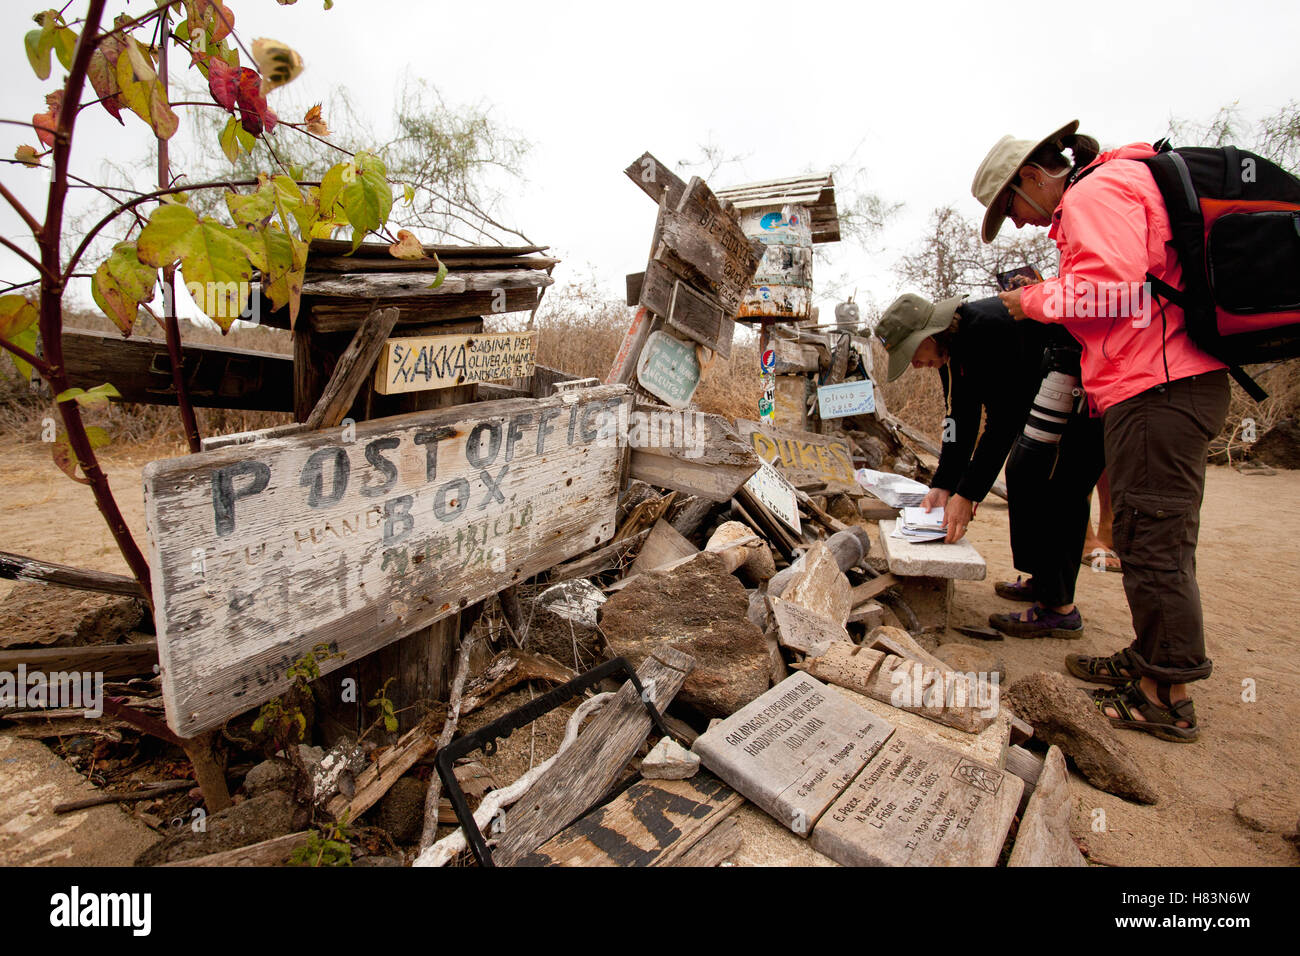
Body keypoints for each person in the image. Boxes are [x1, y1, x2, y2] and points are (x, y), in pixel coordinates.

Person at [971, 120, 1230, 742]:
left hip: (1159, 382)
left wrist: (1032, 300)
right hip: (1157, 379)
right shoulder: (1118, 185)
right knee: (1149, 533)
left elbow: (1113, 294)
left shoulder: (1092, 193)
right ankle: (1150, 661)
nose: (1024, 223)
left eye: (1014, 208)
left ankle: (1165, 693)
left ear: (1033, 177)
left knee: (1151, 539)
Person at [875, 292, 1105, 637]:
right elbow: (959, 421)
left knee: (1054, 483)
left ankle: (1059, 609)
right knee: (1021, 472)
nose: (915, 364)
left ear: (930, 334)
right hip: (1045, 397)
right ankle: (1043, 581)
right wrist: (943, 485)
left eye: (912, 353)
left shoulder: (987, 329)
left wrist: (967, 495)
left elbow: (1002, 424)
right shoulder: (950, 351)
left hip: (1083, 391)